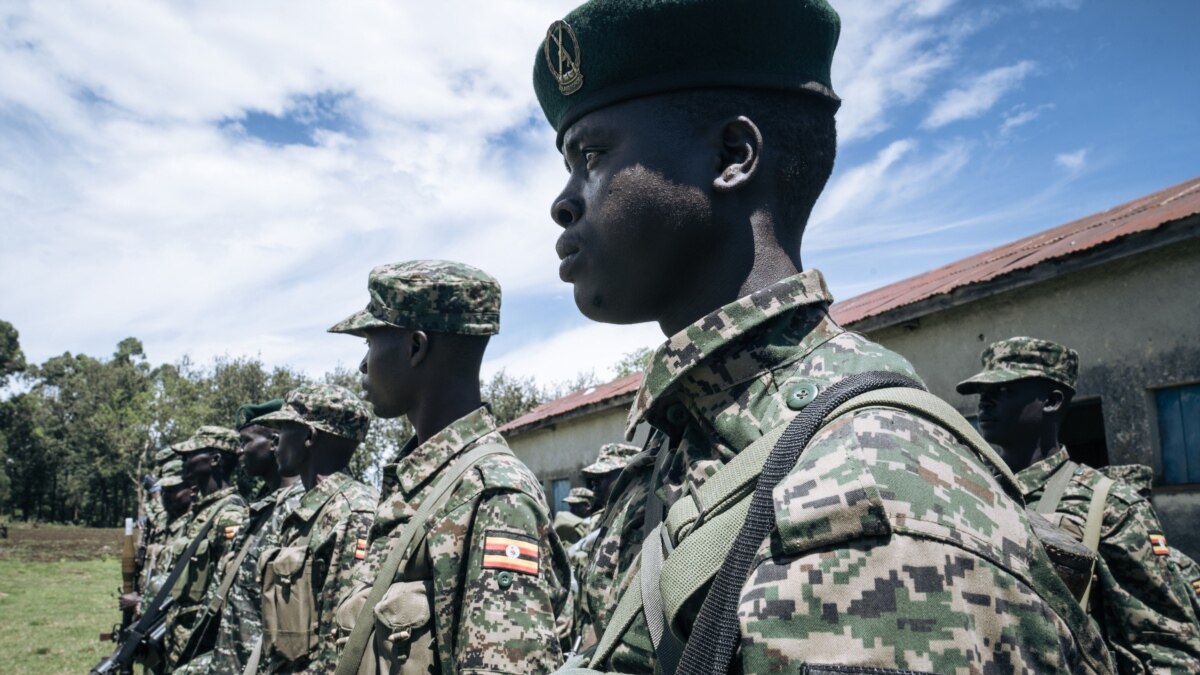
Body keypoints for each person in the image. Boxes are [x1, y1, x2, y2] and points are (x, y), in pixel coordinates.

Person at [531, 1, 1113, 672]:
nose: (564, 199)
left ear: (731, 155)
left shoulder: (874, 490)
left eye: (592, 155)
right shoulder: (671, 438)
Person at [322, 260, 571, 674]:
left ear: (415, 348)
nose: (362, 366)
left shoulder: (492, 495)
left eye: (369, 341)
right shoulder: (422, 482)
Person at [958, 336, 1200, 672]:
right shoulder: (974, 495)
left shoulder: (1109, 505)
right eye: (983, 393)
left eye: (1005, 390)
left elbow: (1167, 643)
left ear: (1052, 401)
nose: (985, 402)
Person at [254, 384, 378, 673]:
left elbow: (343, 643)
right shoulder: (313, 510)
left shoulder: (352, 513)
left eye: (284, 429)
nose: (276, 442)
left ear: (308, 437)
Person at [176, 400, 306, 675]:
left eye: (246, 441)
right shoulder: (261, 507)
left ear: (272, 442)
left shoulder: (299, 509)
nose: (239, 450)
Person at [165, 425, 249, 671]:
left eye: (191, 453)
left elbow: (228, 590)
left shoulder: (229, 514)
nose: (185, 460)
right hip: (177, 635)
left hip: (199, 644)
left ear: (215, 459)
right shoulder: (201, 511)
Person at [126, 454, 194, 617]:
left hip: (170, 613)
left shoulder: (194, 525)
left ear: (191, 489)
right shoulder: (165, 519)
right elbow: (157, 512)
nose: (166, 496)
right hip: (147, 609)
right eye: (164, 491)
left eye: (173, 491)